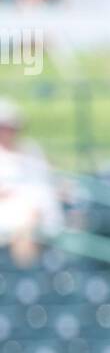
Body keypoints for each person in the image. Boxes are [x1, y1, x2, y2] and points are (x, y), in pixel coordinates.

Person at [0, 100, 63, 266]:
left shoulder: (30, 149)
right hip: (11, 210)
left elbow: (48, 176)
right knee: (25, 223)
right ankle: (26, 276)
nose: (8, 131)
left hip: (41, 205)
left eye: (11, 127)